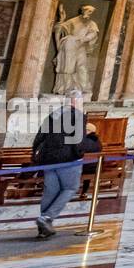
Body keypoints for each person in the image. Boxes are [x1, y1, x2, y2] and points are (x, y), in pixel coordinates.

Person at [32, 95, 100, 238]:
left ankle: (43, 227)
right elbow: (78, 141)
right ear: (76, 103)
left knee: (50, 191)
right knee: (70, 188)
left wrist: (37, 155)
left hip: (49, 160)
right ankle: (47, 218)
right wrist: (80, 152)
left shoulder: (52, 116)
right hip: (68, 160)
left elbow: (39, 137)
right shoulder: (78, 116)